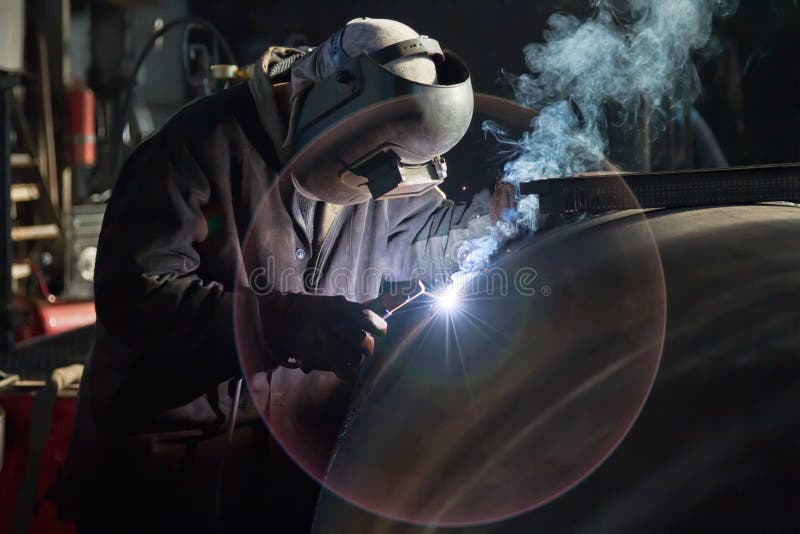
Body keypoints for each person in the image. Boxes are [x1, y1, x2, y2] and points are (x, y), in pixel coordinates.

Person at [62, 17, 514, 533]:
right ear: (333, 102)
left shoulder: (380, 160)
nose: (374, 185)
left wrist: (495, 224)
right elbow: (137, 298)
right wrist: (286, 322)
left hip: (285, 470)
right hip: (166, 474)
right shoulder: (196, 146)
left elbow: (423, 238)